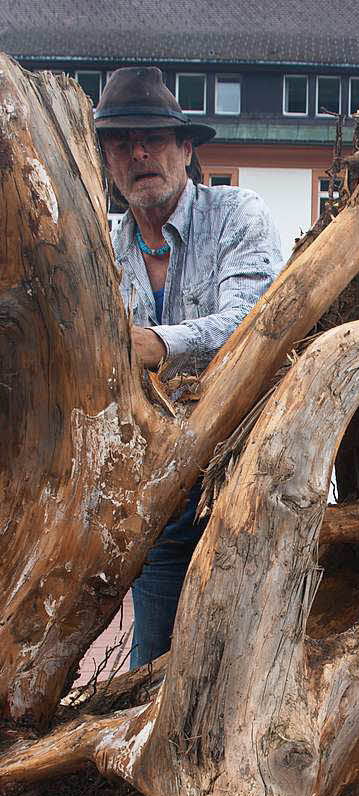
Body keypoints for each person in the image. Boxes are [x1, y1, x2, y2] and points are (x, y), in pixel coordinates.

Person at [93, 67, 283, 667]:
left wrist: (153, 343)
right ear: (106, 159)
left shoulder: (237, 214)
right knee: (152, 668)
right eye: (121, 142)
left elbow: (253, 324)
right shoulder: (101, 247)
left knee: (246, 668)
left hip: (246, 481)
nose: (139, 152)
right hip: (158, 491)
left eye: (152, 137)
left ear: (186, 148)